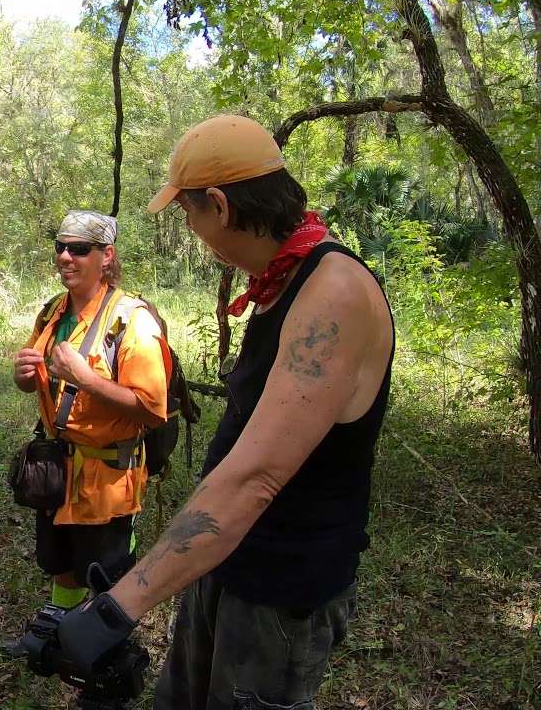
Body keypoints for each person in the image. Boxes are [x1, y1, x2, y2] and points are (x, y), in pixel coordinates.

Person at [53, 115, 396, 710]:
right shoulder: (281, 281)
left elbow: (256, 477)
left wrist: (119, 606)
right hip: (227, 564)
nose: (190, 229)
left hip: (279, 589)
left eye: (188, 214)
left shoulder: (332, 292)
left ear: (220, 205)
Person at [11, 210, 170, 613]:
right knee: (60, 563)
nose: (66, 257)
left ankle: (104, 646)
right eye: (61, 247)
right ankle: (58, 630)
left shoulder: (132, 322)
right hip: (56, 474)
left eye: (79, 249)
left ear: (106, 256)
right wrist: (25, 376)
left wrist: (87, 379)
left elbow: (153, 411)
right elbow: (35, 384)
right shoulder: (52, 313)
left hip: (108, 481)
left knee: (106, 575)